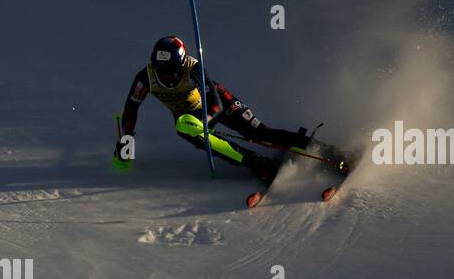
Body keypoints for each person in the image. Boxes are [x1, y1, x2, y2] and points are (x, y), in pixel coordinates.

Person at [115, 35, 309, 183]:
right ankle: (254, 162)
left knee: (257, 134)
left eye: (171, 71)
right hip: (188, 119)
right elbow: (131, 109)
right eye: (161, 70)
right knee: (185, 126)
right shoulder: (145, 78)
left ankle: (307, 144)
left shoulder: (193, 69)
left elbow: (216, 103)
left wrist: (206, 121)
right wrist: (126, 141)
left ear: (181, 65)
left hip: (216, 105)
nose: (166, 76)